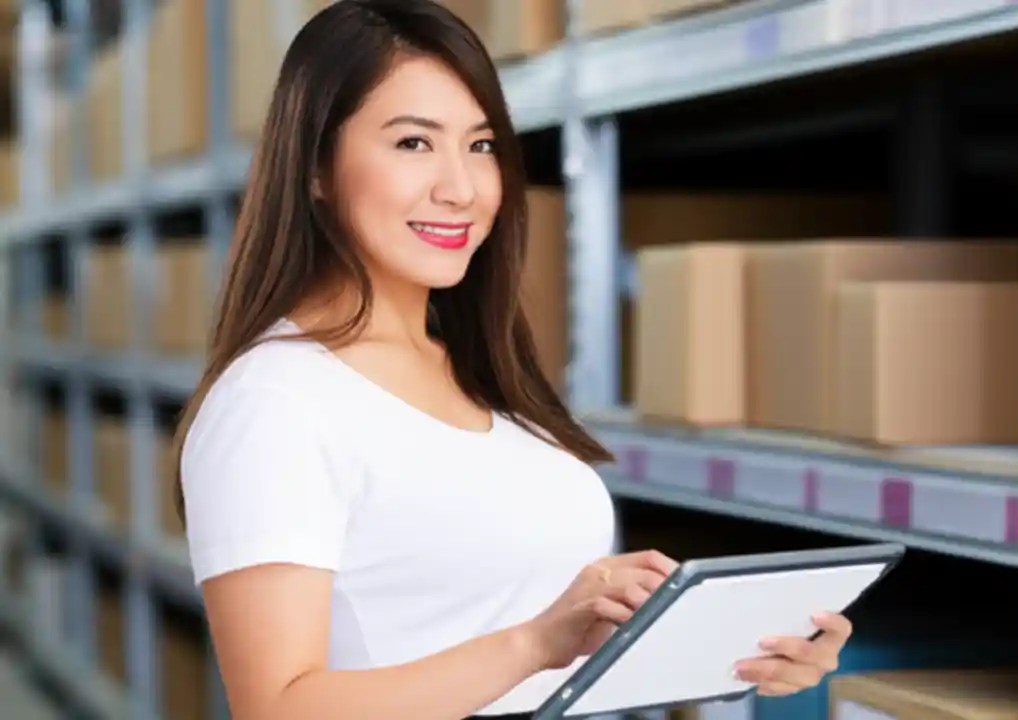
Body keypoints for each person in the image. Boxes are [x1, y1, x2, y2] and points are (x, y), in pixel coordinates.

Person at [174, 1, 853, 718]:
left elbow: (517, 644)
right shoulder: (275, 402)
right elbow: (277, 708)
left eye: (482, 145)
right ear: (315, 168)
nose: (461, 188)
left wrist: (729, 645)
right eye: (413, 144)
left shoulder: (478, 371)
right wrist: (533, 643)